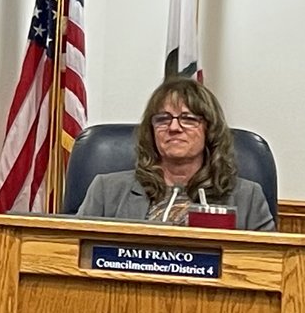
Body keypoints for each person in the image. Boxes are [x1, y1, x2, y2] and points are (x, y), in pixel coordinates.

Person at [76, 78, 276, 229]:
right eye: (163, 119)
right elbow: (75, 254)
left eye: (188, 119)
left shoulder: (248, 197)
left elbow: (266, 269)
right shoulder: (105, 191)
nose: (173, 127)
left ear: (210, 129)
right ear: (151, 130)